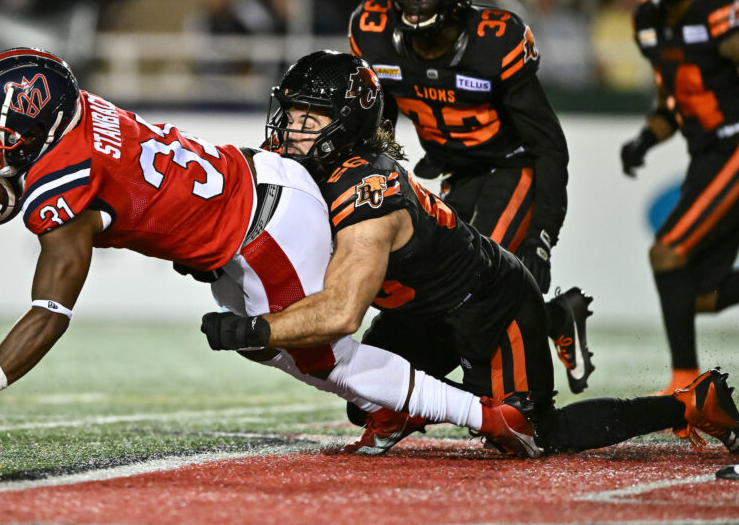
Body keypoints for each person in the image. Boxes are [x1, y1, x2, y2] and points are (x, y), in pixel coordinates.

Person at [0, 47, 536, 454]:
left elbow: (52, 309)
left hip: (263, 231)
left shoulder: (62, 185)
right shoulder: (79, 112)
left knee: (321, 357)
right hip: (250, 195)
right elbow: (41, 166)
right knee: (270, 351)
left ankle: (485, 415)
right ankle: (390, 406)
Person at [200, 49, 739, 457]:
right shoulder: (310, 171)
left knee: (531, 436)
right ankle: (436, 401)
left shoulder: (369, 191)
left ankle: (691, 403)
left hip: (488, 305)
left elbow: (341, 313)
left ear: (349, 124)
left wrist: (261, 330)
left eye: (309, 119)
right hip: (418, 309)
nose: (290, 129)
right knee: (369, 398)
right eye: (289, 113)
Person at [345, 0, 595, 395]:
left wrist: (542, 236)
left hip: (512, 166)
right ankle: (556, 316)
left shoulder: (495, 39)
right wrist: (379, 177)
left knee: (477, 286)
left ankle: (475, 397)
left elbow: (547, 144)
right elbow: (380, 121)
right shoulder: (372, 30)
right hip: (456, 174)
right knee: (435, 282)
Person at [622, 0, 739, 394]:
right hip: (707, 154)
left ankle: (685, 386)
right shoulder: (648, 19)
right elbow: (674, 100)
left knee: (666, 252)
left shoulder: (720, 11)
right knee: (699, 295)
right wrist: (647, 139)